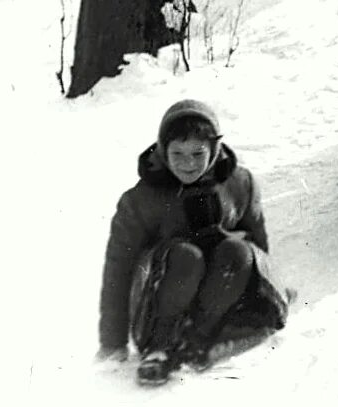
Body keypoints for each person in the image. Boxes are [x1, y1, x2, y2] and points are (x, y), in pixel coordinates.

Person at [95, 100, 292, 386]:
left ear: (214, 150)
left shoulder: (239, 183)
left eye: (197, 154)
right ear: (163, 150)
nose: (188, 164)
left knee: (238, 250)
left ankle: (196, 341)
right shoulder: (141, 200)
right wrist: (112, 340)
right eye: (177, 153)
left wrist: (272, 287)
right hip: (160, 298)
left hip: (217, 295)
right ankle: (159, 346)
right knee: (187, 256)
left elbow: (258, 241)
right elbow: (118, 267)